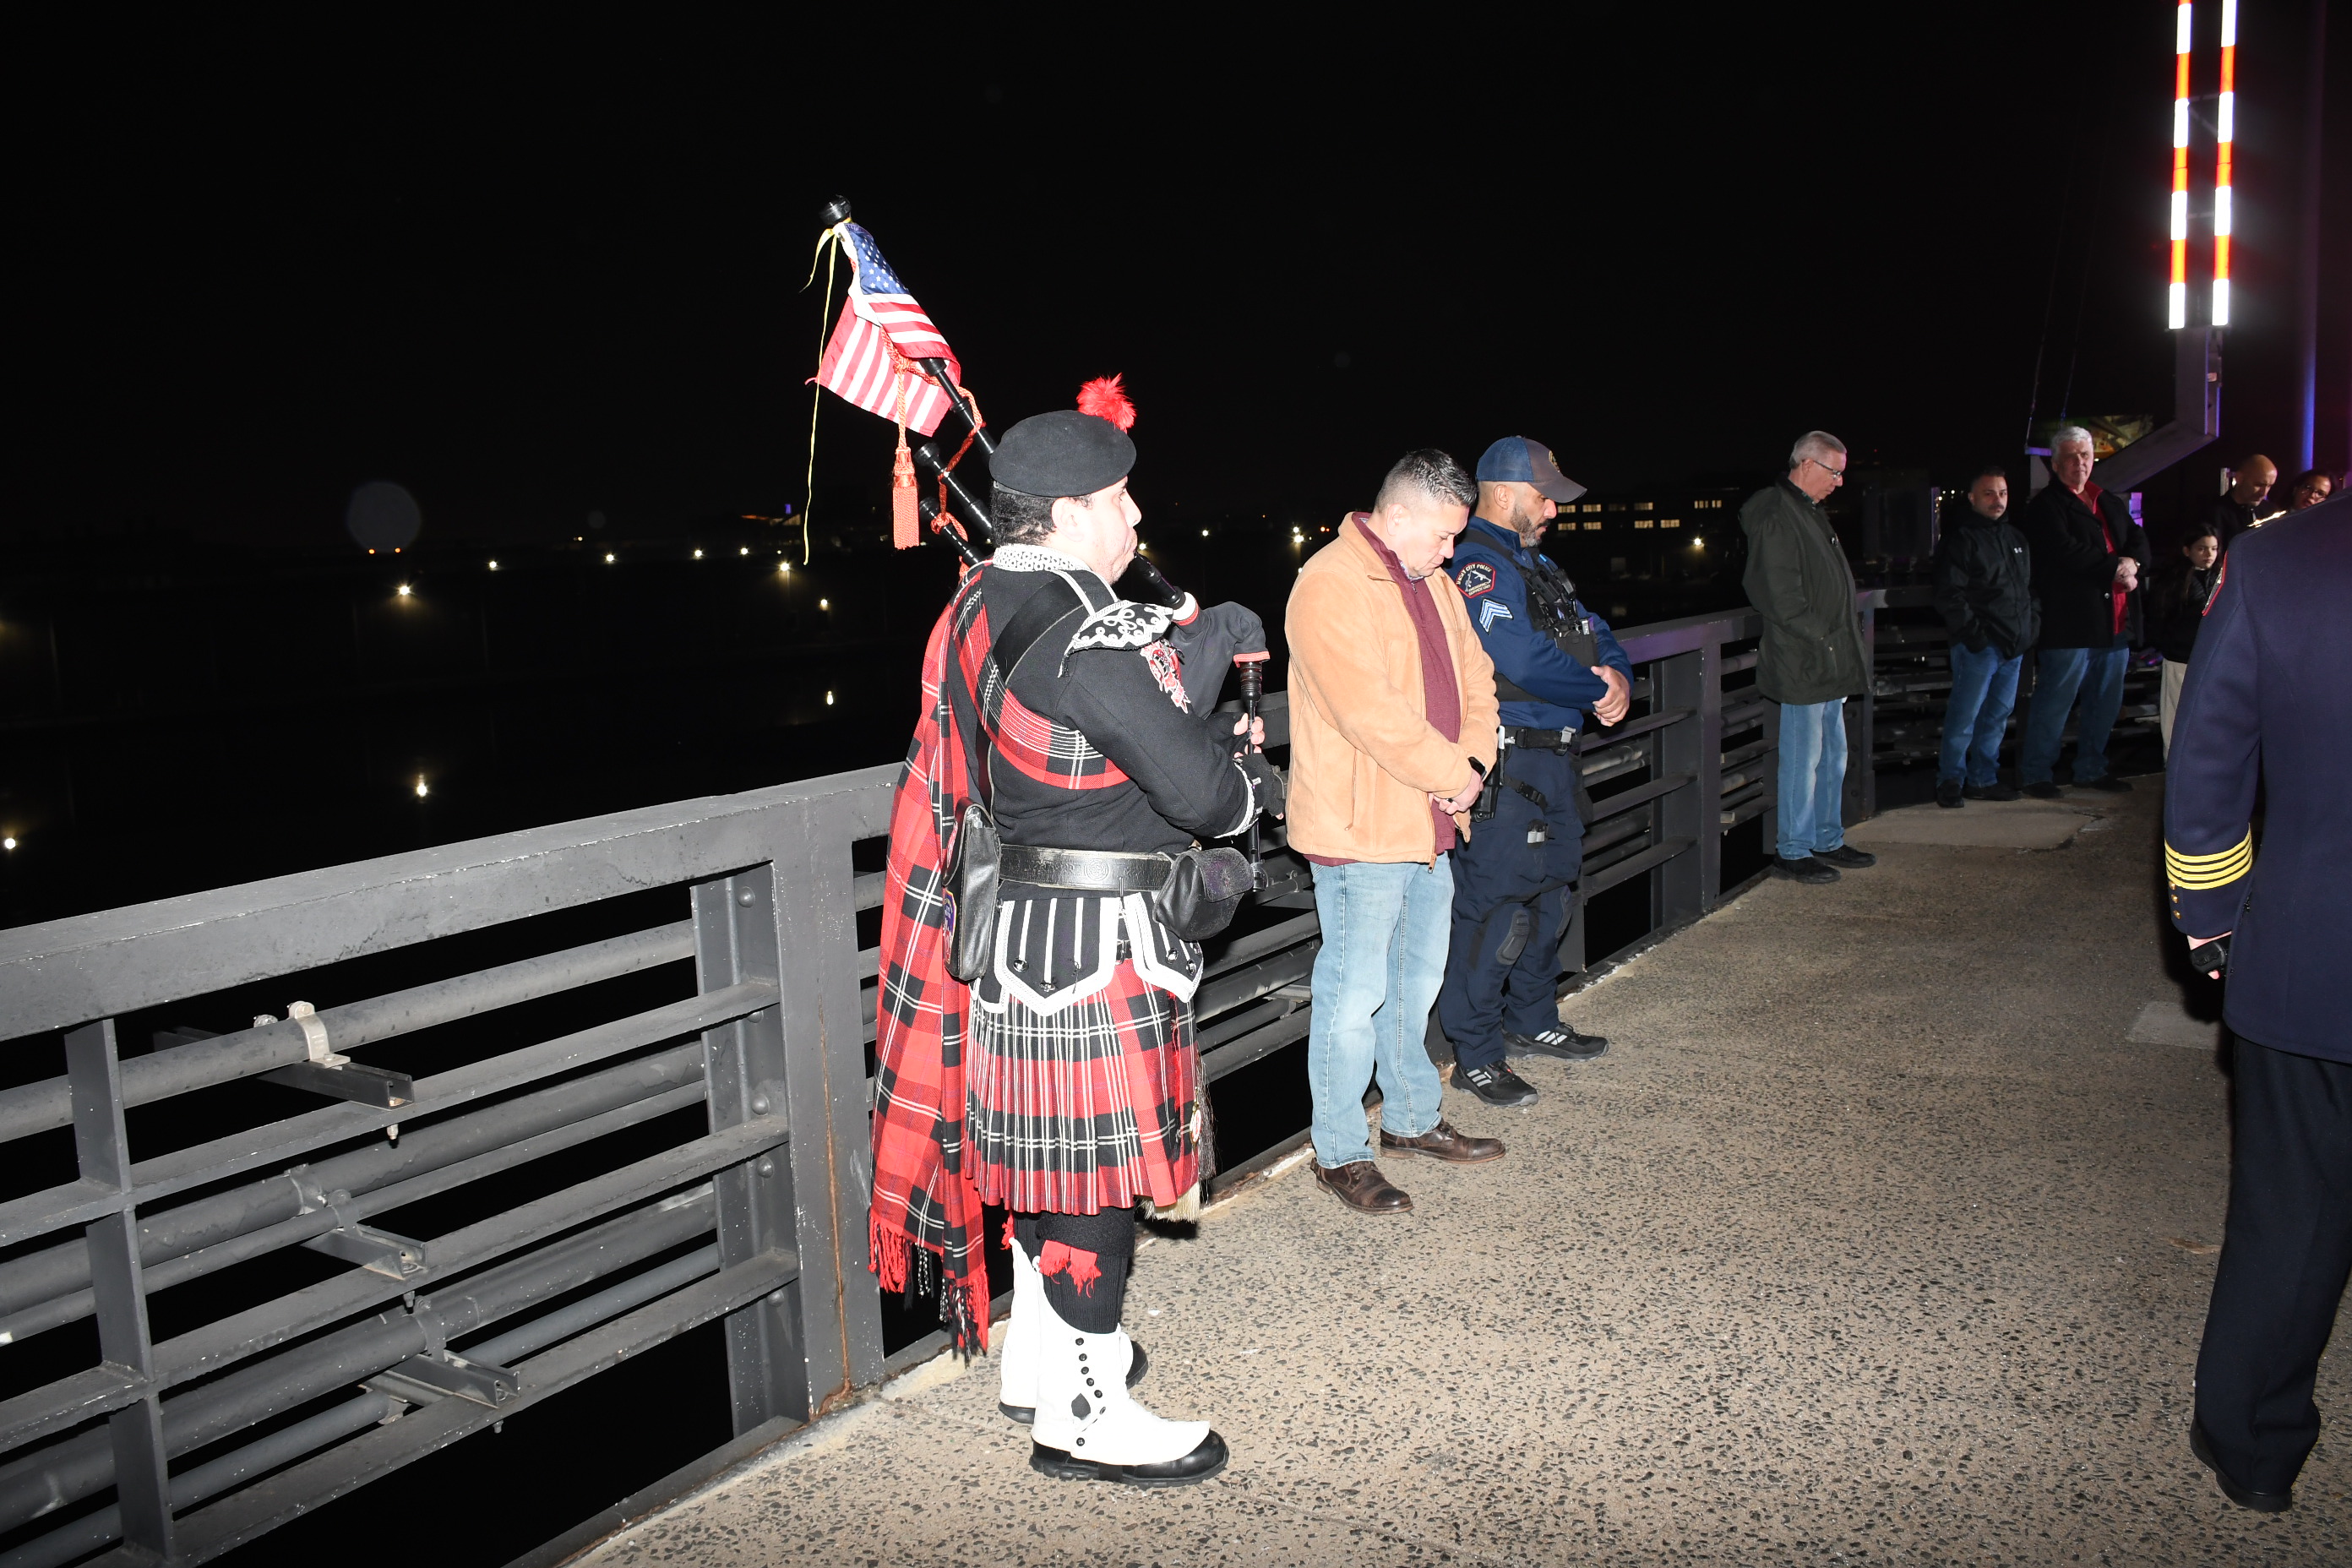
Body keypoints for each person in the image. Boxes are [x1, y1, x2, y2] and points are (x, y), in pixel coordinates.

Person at [868, 378, 1283, 1487]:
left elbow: (1094, 737)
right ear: (1065, 515)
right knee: (1092, 1184)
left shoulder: (975, 604)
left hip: (1014, 938)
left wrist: (1192, 677)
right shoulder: (1082, 636)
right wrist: (1244, 775)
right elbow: (1202, 795)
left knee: (1048, 1169)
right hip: (1097, 944)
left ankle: (1040, 1360)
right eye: (1121, 499)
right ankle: (1088, 1415)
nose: (1138, 520)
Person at [2165, 491, 2352, 1513]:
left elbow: (2208, 761)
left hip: (2318, 951)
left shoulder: (2279, 562)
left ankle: (2256, 1449)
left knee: (2291, 1219)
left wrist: (2217, 919)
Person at [1286, 449, 1508, 1215]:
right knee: (1352, 998)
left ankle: (1411, 1121)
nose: (1452, 552)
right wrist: (1457, 774)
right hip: (1362, 831)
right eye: (1445, 535)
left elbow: (1478, 680)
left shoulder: (1435, 583)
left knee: (1415, 988)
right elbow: (1368, 714)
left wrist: (1470, 763)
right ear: (1400, 515)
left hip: (1431, 822)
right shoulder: (1329, 584)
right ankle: (1340, 1151)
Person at [1435, 437, 1631, 1108]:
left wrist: (1617, 679)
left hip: (1556, 761)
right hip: (1510, 763)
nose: (1552, 508)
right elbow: (1515, 656)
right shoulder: (1478, 567)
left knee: (1552, 900)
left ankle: (1534, 1021)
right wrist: (1593, 686)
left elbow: (1597, 631)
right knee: (1495, 911)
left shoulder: (1539, 565)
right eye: (1544, 495)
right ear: (1505, 491)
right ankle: (1477, 1054)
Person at [1740, 430, 1876, 884]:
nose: (1839, 482)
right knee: (1805, 757)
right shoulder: (1779, 513)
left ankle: (1825, 837)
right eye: (1834, 472)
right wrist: (1826, 637)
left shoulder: (1804, 511)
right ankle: (1794, 850)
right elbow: (1777, 594)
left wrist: (1833, 642)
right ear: (1808, 465)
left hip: (1825, 657)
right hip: (1804, 659)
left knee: (1832, 755)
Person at [2017, 425, 2151, 798]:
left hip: (2115, 624)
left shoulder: (2106, 499)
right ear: (2056, 464)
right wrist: (2116, 567)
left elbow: (2139, 540)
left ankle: (2091, 770)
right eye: (2073, 457)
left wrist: (2133, 565)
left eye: (2087, 456)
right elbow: (2064, 551)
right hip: (2071, 625)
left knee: (2104, 706)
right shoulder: (2045, 507)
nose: (2081, 464)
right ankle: (2036, 774)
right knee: (2054, 703)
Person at [1928, 465, 2037, 808]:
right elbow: (1950, 594)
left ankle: (1983, 779)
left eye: (2003, 493)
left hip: (2013, 645)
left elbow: (2027, 589)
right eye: (1989, 493)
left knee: (1997, 716)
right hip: (1980, 646)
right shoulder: (1961, 539)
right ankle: (1950, 781)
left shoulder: (2015, 538)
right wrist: (1975, 636)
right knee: (1965, 715)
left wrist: (2030, 628)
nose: (1998, 500)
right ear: (1973, 497)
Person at [2146, 526, 2219, 754]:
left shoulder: (2218, 578)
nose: (2209, 554)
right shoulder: (2177, 581)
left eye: (2214, 549)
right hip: (2182, 659)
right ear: (2187, 551)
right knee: (2178, 717)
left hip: (2207, 659)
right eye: (2202, 548)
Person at [2208, 454, 2277, 550]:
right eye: (2259, 485)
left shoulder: (2271, 512)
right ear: (2239, 478)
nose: (2264, 492)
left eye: (2269, 486)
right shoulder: (2215, 513)